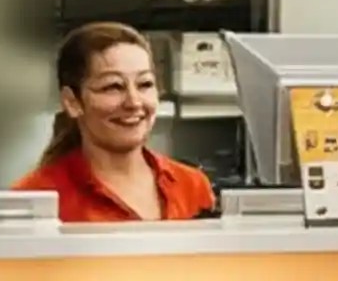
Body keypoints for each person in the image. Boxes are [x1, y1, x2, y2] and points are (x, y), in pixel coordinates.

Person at [13, 22, 215, 222]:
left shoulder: (193, 186)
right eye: (113, 87)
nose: (134, 102)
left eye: (145, 84)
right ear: (72, 102)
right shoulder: (34, 198)